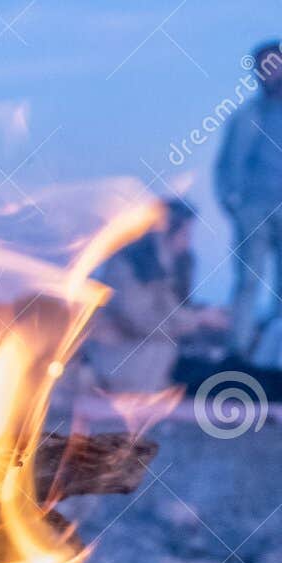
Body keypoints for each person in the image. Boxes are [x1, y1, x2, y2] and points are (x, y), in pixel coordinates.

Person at [84, 199, 220, 392]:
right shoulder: (130, 263)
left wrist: (203, 316)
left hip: (157, 367)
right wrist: (197, 320)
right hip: (124, 365)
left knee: (230, 372)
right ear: (166, 230)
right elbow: (141, 321)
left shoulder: (175, 264)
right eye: (185, 233)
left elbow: (172, 310)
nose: (188, 241)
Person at [217, 41, 282, 358]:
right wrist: (231, 200)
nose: (269, 72)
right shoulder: (246, 117)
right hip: (253, 209)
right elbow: (225, 163)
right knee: (247, 279)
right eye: (263, 66)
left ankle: (274, 351)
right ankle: (238, 352)